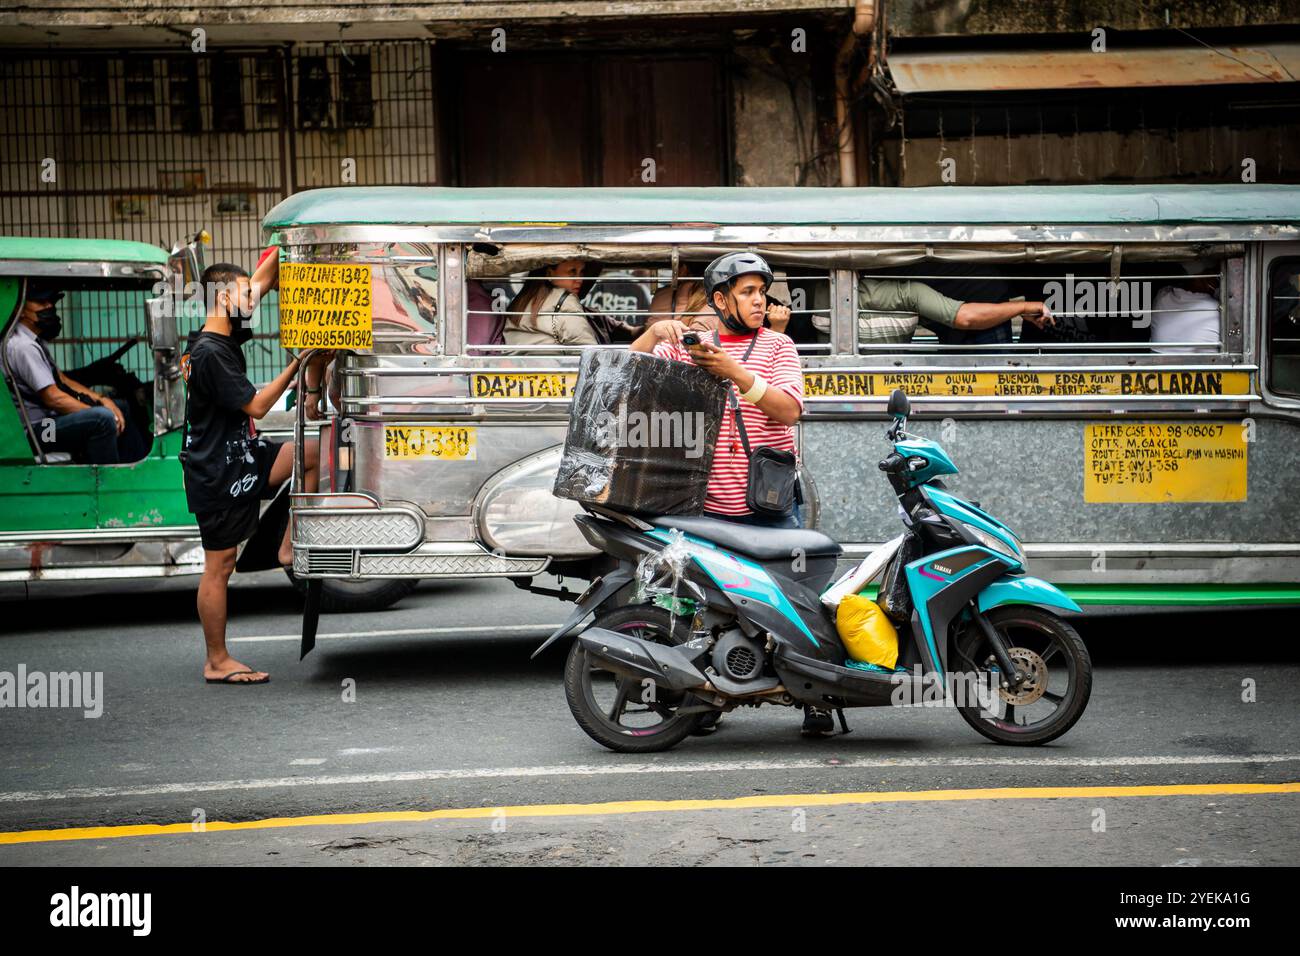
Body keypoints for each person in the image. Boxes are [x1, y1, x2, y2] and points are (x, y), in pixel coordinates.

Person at [630, 252, 831, 738]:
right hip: (706, 508)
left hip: (771, 503)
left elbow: (788, 412)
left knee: (800, 601)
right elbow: (627, 377)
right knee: (702, 607)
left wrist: (734, 373)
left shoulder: (779, 346)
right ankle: (705, 699)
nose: (760, 300)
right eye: (747, 292)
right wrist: (656, 333)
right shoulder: (691, 347)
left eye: (761, 291)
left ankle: (818, 699)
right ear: (720, 300)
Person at [181, 257, 332, 685]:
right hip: (215, 471)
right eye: (246, 294)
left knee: (313, 452)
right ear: (225, 297)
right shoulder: (210, 354)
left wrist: (282, 248)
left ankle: (288, 547)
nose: (255, 300)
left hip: (243, 455)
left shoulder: (215, 333)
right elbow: (258, 406)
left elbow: (261, 280)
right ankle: (216, 660)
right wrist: (300, 364)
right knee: (220, 565)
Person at [4, 284, 147, 464]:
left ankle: (131, 476)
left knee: (121, 408)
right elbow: (53, 398)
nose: (49, 306)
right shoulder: (22, 346)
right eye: (41, 302)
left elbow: (63, 380)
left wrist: (101, 399)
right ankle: (110, 487)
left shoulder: (34, 341)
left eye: (51, 301)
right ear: (20, 309)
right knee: (102, 419)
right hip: (37, 433)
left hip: (48, 424)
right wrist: (100, 411)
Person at [503, 259, 609, 347]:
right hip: (554, 369)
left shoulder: (521, 301)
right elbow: (588, 349)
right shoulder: (566, 300)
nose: (579, 279)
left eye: (581, 272)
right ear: (549, 273)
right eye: (572, 272)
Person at [1149, 261, 1221, 353]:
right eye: (1216, 276)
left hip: (1157, 364)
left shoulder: (1162, 296)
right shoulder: (1217, 308)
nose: (1218, 281)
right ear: (1205, 277)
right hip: (1203, 365)